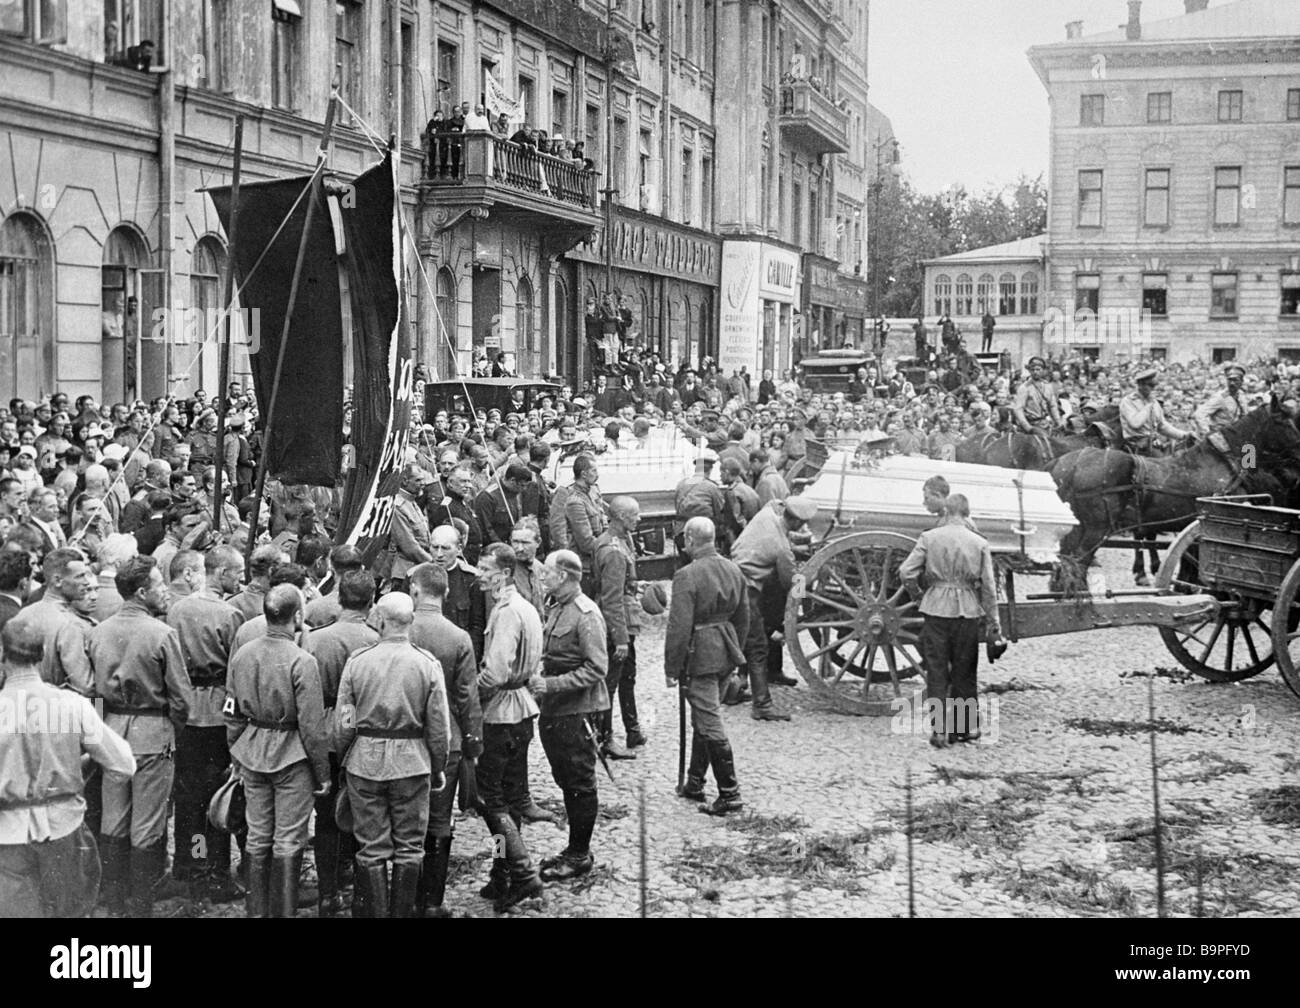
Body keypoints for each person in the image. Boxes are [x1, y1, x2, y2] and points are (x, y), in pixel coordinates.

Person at [0, 614, 136, 917]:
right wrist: (78, 768)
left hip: (7, 833)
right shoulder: (72, 704)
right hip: (64, 825)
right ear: (43, 653)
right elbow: (123, 764)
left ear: (1, 654)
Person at [87, 555, 192, 918]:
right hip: (153, 731)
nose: (165, 591)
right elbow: (181, 699)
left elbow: (92, 693)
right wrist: (170, 728)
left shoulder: (98, 631)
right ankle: (141, 907)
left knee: (113, 820)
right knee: (147, 824)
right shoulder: (162, 634)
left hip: (111, 732)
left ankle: (115, 903)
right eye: (159, 584)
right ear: (143, 592)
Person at [334, 592, 450, 918]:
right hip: (412, 764)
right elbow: (438, 727)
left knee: (371, 848)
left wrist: (345, 756)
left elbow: (345, 720)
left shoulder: (358, 662)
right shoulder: (427, 664)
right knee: (410, 847)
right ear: (410, 621)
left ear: (380, 620)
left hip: (364, 763)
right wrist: (437, 766)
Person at [225, 583, 330, 917]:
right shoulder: (303, 661)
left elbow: (231, 713)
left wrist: (237, 755)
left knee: (257, 835)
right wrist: (323, 774)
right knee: (289, 838)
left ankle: (256, 912)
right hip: (292, 756)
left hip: (252, 751)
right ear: (297, 617)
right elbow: (312, 727)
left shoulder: (242, 654)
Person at [161, 547, 245, 902]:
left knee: (189, 797)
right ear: (221, 572)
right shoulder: (230, 614)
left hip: (184, 711)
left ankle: (189, 865)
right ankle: (215, 871)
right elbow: (235, 671)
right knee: (217, 797)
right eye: (237, 572)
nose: (240, 579)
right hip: (216, 713)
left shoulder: (177, 609)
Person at [301, 569, 379, 916]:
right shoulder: (376, 639)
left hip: (324, 730)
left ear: (340, 600)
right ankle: (360, 891)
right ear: (370, 601)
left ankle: (327, 893)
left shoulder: (316, 639)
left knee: (326, 816)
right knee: (363, 813)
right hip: (363, 733)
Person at [528, 549, 609, 882]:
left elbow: (597, 668)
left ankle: (579, 855)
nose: (542, 575)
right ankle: (575, 848)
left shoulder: (585, 613)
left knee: (579, 782)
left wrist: (550, 685)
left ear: (563, 576)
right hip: (557, 710)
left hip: (578, 712)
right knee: (566, 779)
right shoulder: (557, 607)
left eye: (547, 571)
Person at [472, 543, 545, 911]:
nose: (479, 575)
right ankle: (501, 874)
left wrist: (471, 696)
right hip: (521, 711)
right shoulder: (525, 607)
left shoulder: (505, 613)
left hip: (500, 714)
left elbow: (496, 673)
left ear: (503, 574)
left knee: (490, 799)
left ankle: (522, 873)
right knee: (511, 800)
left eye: (485, 570)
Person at [407, 562, 482, 917]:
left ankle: (404, 898)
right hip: (447, 741)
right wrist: (473, 743)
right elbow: (468, 697)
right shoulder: (459, 637)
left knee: (405, 822)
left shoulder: (397, 629)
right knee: (439, 821)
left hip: (405, 740)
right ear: (446, 593)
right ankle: (432, 902)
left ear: (415, 591)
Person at [899, 494, 1003, 748]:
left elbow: (905, 571)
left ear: (946, 511)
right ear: (967, 514)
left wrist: (919, 596)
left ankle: (939, 731)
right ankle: (964, 729)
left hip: (935, 609)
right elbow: (988, 587)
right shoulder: (979, 542)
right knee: (964, 670)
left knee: (936, 670)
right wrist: (993, 620)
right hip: (967, 611)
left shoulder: (929, 537)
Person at [664, 517, 749, 814]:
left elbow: (678, 627)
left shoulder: (686, 575)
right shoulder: (734, 569)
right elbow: (743, 618)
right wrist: (736, 652)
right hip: (726, 650)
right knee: (704, 716)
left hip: (700, 657)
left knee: (709, 721)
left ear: (690, 540)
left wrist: (671, 669)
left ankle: (730, 793)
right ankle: (695, 782)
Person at [730, 497, 820, 721]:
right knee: (758, 647)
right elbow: (792, 585)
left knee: (739, 638)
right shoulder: (781, 548)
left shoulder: (767, 513)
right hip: (746, 590)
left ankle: (729, 690)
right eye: (803, 524)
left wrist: (801, 546)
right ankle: (762, 705)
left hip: (731, 578)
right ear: (797, 522)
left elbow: (776, 523)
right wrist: (811, 576)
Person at [592, 497, 645, 759]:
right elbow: (611, 600)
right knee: (610, 684)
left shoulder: (618, 541)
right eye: (635, 514)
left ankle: (632, 729)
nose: (639, 518)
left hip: (625, 619)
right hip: (618, 624)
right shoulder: (613, 550)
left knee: (627, 677)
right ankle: (606, 740)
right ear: (622, 517)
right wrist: (620, 639)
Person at [1121, 368, 1190, 455]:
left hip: (1152, 444)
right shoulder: (1128, 401)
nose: (1153, 388)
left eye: (1154, 385)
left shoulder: (1154, 402)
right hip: (1135, 446)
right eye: (1150, 385)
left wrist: (1184, 435)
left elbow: (1162, 426)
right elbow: (1135, 423)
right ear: (1140, 385)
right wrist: (1148, 405)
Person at [673, 452, 725, 566]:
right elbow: (719, 511)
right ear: (709, 470)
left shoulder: (681, 484)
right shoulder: (712, 487)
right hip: (703, 534)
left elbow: (677, 506)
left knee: (686, 565)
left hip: (682, 532)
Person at [1194, 364, 1246, 441]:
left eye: (1235, 380)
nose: (1232, 383)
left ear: (1241, 381)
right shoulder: (1220, 397)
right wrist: (1208, 433)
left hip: (1234, 435)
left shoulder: (1241, 395)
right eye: (1230, 380)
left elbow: (1244, 415)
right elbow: (1199, 414)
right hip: (1219, 436)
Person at [1011, 357, 1061, 435]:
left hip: (1045, 424)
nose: (1035, 372)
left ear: (1043, 370)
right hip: (1030, 425)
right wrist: (1028, 427)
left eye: (1038, 369)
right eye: (1032, 370)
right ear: (1029, 371)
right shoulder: (1024, 388)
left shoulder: (1048, 386)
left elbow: (1052, 406)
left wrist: (1058, 421)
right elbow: (1018, 409)